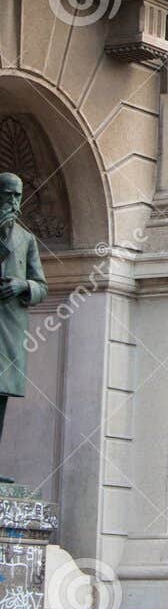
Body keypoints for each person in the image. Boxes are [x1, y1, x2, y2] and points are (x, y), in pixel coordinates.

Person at [0, 172, 47, 447]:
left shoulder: (27, 238)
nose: (15, 201)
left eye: (18, 195)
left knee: (1, 394)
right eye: (9, 194)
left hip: (10, 327)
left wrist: (23, 285)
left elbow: (42, 286)